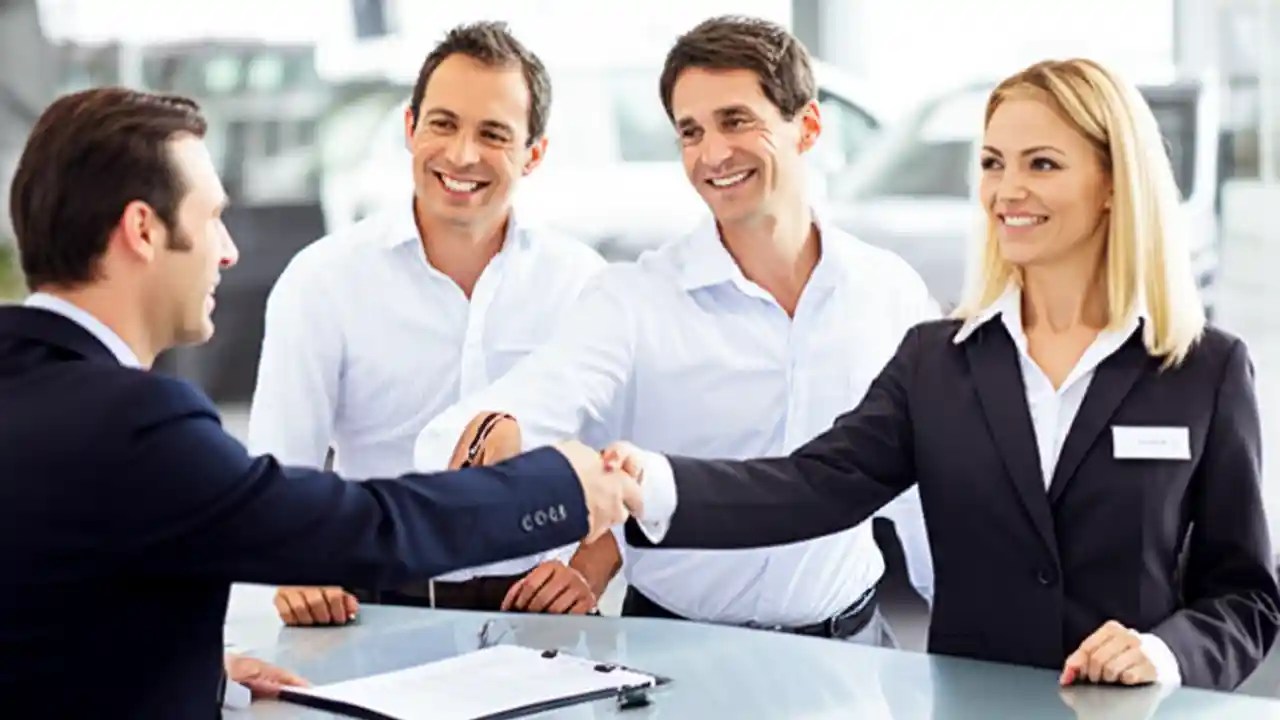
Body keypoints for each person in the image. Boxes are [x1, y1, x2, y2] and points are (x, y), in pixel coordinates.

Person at [614, 58, 1280, 691]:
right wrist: (652, 485)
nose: (1006, 190)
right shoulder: (936, 360)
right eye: (992, 163)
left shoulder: (1205, 369)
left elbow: (1245, 595)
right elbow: (811, 485)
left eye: (1041, 163)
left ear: (1113, 184)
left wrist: (1163, 653)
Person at [0, 87, 637, 718]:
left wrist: (202, 672)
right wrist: (556, 486)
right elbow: (362, 525)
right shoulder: (138, 424)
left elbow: (55, 604)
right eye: (211, 219)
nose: (228, 251)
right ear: (143, 229)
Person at [415, 15, 936, 644]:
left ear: (809, 127)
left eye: (735, 121)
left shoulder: (890, 293)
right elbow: (535, 398)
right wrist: (490, 439)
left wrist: (969, 648)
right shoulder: (634, 301)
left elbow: (926, 498)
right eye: (691, 131)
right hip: (676, 653)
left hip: (854, 653)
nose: (713, 154)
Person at [247, 22, 607, 626]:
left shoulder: (583, 284)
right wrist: (297, 568)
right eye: (443, 124)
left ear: (533, 154)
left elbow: (630, 459)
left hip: (541, 619)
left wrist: (587, 570)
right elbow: (281, 467)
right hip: (376, 610)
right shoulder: (323, 280)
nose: (462, 155)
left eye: (494, 134)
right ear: (410, 128)